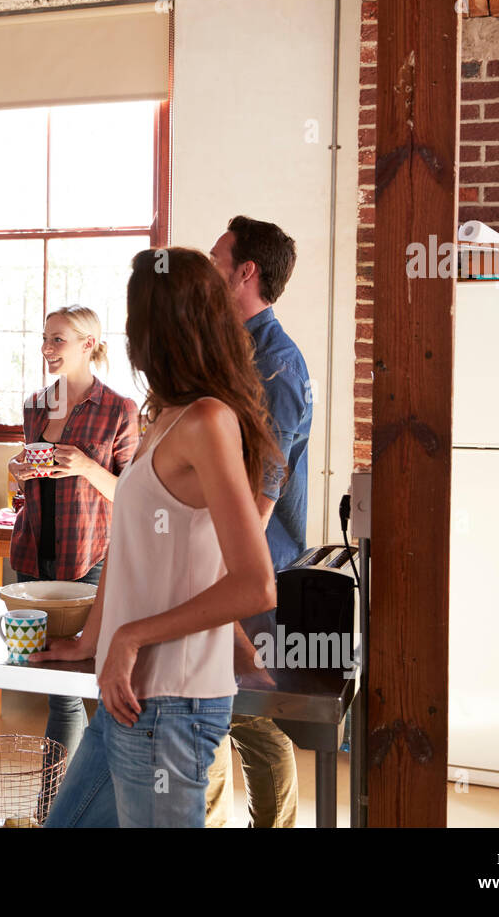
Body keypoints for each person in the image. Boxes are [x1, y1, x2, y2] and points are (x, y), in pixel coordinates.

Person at [36, 248, 281, 827]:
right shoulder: (164, 417)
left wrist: (129, 637)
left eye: (133, 319)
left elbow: (255, 583)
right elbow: (131, 553)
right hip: (128, 697)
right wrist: (94, 640)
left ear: (157, 329)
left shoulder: (206, 421)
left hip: (169, 705)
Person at [205, 214, 312, 828]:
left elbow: (261, 495)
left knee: (252, 714)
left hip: (252, 566)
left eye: (217, 257)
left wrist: (217, 566)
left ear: (245, 272)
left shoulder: (280, 365)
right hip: (218, 561)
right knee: (214, 709)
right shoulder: (231, 351)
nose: (207, 267)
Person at [7, 305, 138, 761]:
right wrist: (15, 469)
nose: (47, 348)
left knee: (90, 684)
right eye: (44, 338)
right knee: (55, 685)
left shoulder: (120, 409)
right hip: (30, 558)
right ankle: (60, 804)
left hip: (90, 561)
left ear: (88, 344)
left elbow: (132, 495)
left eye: (57, 339)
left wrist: (84, 465)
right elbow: (23, 480)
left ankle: (75, 800)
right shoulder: (33, 405)